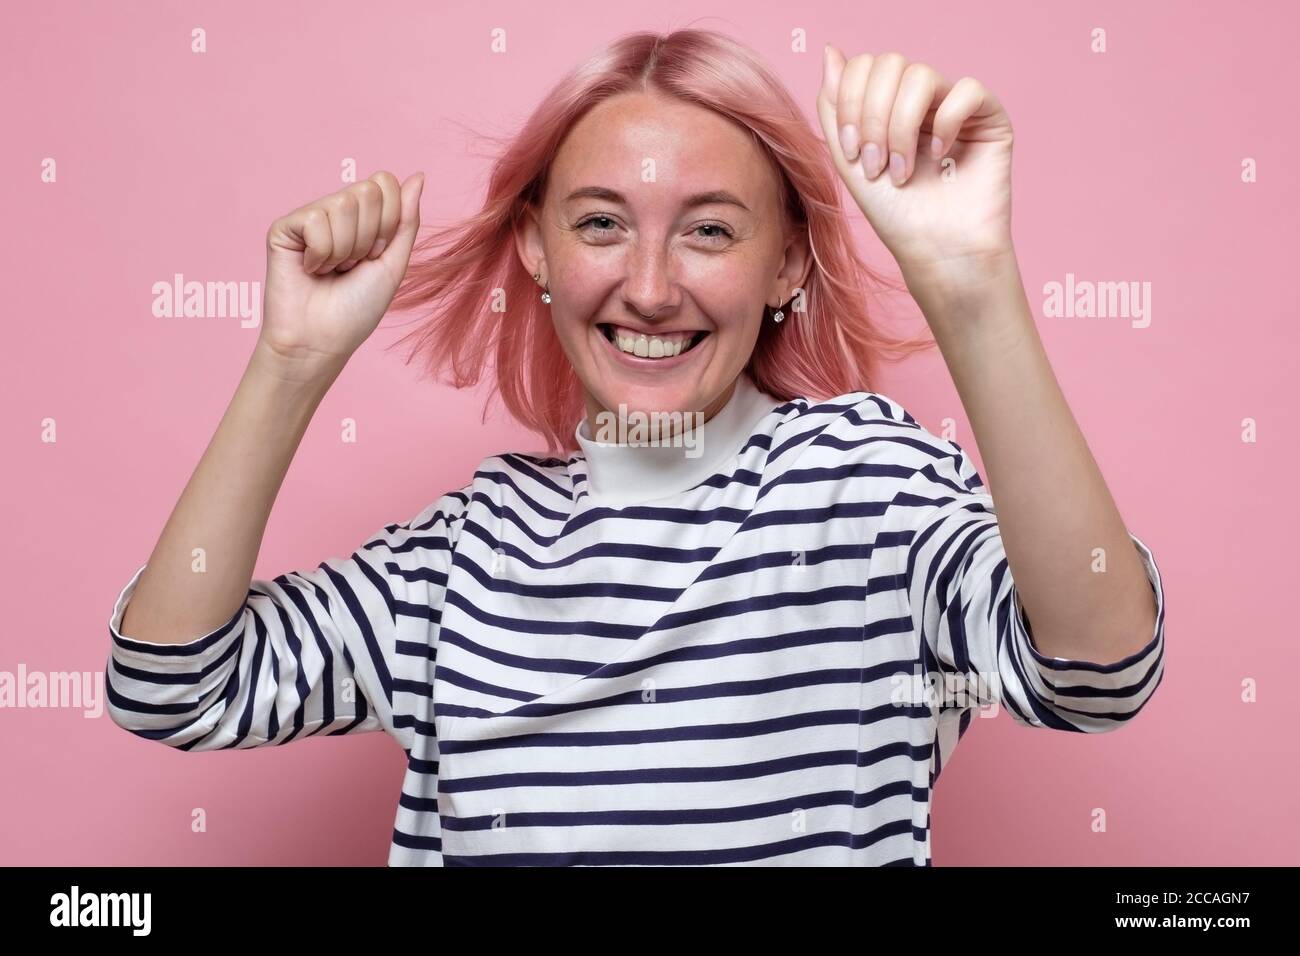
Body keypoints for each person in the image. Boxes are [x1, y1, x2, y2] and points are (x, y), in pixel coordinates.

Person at [106, 30, 1166, 866]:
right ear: (537, 250)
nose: (651, 286)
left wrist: (974, 289)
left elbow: (1099, 670)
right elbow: (168, 686)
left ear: (786, 261)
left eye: (708, 229)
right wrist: (289, 361)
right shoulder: (462, 555)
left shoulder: (865, 487)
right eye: (602, 222)